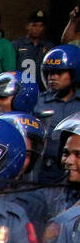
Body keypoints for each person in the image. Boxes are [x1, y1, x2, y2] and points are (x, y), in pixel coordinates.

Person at [37, 46, 80, 184]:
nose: (52, 77)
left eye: (59, 73)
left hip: (73, 172)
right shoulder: (37, 103)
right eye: (50, 73)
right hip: (43, 175)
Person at [14, 10, 55, 80]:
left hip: (42, 87)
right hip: (22, 86)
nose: (37, 29)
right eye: (34, 25)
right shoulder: (17, 45)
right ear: (27, 26)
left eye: (41, 26)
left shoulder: (49, 46)